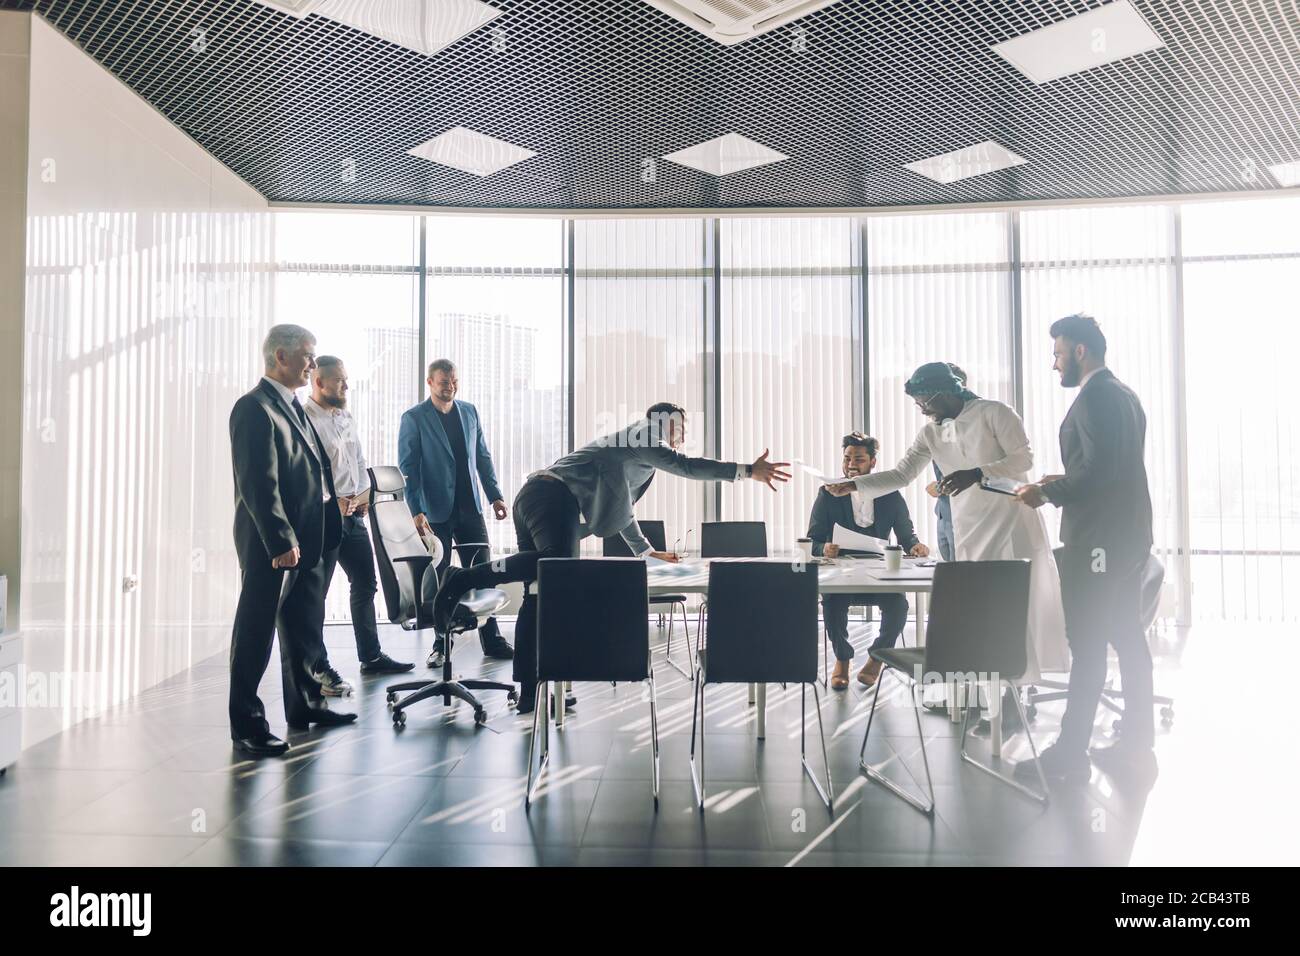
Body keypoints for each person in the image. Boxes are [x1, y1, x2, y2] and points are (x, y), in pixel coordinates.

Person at [431, 403, 791, 714]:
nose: (682, 433)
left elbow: (622, 510)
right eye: (678, 425)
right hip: (552, 498)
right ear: (658, 423)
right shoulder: (645, 434)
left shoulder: (635, 457)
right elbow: (686, 467)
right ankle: (462, 578)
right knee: (556, 571)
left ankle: (528, 694)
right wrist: (746, 471)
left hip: (539, 497)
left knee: (539, 592)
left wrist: (646, 552)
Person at [826, 362, 1068, 684]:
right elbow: (902, 474)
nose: (922, 410)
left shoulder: (995, 412)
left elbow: (1023, 459)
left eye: (924, 401)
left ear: (942, 392)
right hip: (968, 523)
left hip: (1010, 517)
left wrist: (977, 473)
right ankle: (983, 688)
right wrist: (854, 485)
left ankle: (1015, 689)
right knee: (980, 609)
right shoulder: (930, 433)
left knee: (1013, 604)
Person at [1014, 314, 1156, 784]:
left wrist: (1047, 493)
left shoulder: (1095, 397)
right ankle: (1138, 742)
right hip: (1128, 537)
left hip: (1098, 543)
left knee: (1089, 644)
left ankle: (1071, 752)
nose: (1053, 364)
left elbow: (1099, 474)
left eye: (1057, 353)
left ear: (1080, 352)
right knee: (1129, 638)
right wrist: (1062, 479)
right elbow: (1108, 469)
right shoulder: (1125, 395)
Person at [227, 324, 356, 758]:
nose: (312, 365)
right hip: (275, 545)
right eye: (307, 356)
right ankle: (247, 726)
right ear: (279, 356)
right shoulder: (254, 409)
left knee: (301, 632)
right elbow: (257, 483)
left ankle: (304, 707)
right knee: (256, 632)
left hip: (310, 539)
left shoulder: (293, 404)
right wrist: (281, 538)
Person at [303, 356, 414, 692]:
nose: (346, 386)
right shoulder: (306, 420)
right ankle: (318, 669)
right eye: (340, 380)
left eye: (347, 380)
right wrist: (329, 500)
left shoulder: (346, 418)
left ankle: (371, 656)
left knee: (366, 583)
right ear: (319, 382)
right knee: (316, 597)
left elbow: (357, 463)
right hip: (325, 517)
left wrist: (363, 496)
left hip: (354, 515)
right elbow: (306, 473)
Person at [398, 359, 513, 668]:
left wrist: (495, 496)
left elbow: (482, 456)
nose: (450, 386)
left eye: (454, 381)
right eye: (444, 381)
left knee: (485, 572)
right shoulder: (414, 418)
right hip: (435, 511)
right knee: (440, 578)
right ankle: (440, 642)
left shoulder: (469, 411)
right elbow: (408, 469)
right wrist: (416, 509)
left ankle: (493, 639)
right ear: (430, 382)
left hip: (470, 507)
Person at [808, 432, 929, 690]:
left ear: (873, 462)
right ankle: (842, 658)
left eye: (859, 459)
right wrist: (824, 547)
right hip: (843, 572)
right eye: (847, 458)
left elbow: (907, 536)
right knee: (831, 604)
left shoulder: (891, 494)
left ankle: (877, 657)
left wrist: (916, 547)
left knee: (898, 606)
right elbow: (813, 540)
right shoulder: (829, 493)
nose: (851, 464)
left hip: (880, 572)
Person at [925, 364, 967, 562]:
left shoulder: (972, 425)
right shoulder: (940, 427)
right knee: (950, 578)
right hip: (943, 515)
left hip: (964, 517)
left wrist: (942, 488)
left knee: (964, 580)